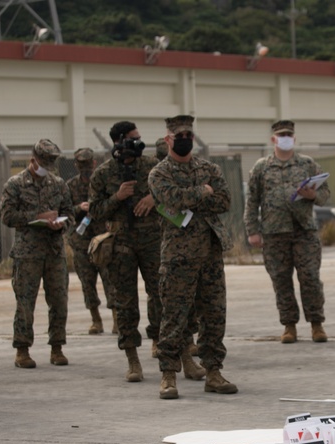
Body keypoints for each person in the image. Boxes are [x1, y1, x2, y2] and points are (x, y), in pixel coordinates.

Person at [148, 115, 236, 399]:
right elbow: (171, 199)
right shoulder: (159, 173)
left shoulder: (208, 167)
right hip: (178, 256)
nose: (185, 138)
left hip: (210, 253)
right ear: (168, 140)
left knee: (214, 315)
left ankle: (213, 371)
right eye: (179, 135)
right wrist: (202, 191)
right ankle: (168, 375)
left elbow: (224, 200)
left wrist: (192, 195)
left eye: (189, 133)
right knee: (175, 316)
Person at [88, 121, 181, 383]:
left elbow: (172, 194)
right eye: (133, 138)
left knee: (161, 295)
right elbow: (94, 211)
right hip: (121, 244)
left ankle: (162, 346)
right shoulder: (104, 173)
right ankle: (132, 359)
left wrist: (154, 197)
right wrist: (117, 197)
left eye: (140, 138)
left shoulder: (152, 167)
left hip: (153, 240)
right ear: (118, 141)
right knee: (125, 302)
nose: (139, 142)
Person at [245, 120, 332, 344]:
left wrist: (313, 196)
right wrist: (252, 231)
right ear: (273, 139)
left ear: (294, 138)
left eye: (288, 134)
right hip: (274, 233)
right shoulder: (261, 167)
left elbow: (325, 193)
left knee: (310, 278)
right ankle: (289, 326)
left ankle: (316, 324)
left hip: (304, 231)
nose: (285, 137)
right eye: (281, 134)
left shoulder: (307, 164)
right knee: (281, 280)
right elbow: (252, 202)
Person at [0, 139, 73, 368]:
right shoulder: (15, 184)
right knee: (25, 302)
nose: (47, 167)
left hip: (54, 251)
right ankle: (22, 350)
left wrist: (61, 223)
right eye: (44, 162)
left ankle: (57, 347)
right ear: (34, 159)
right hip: (27, 253)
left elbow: (69, 213)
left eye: (50, 164)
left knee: (59, 301)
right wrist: (37, 217)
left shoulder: (58, 184)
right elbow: (7, 216)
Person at [66, 147, 114, 336]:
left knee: (110, 279)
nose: (85, 167)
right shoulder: (70, 186)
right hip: (81, 240)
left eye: (88, 163)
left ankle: (116, 318)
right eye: (81, 164)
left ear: (94, 163)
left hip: (103, 238)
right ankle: (96, 320)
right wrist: (79, 207)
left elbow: (113, 204)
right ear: (76, 165)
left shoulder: (104, 183)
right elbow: (64, 210)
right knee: (87, 281)